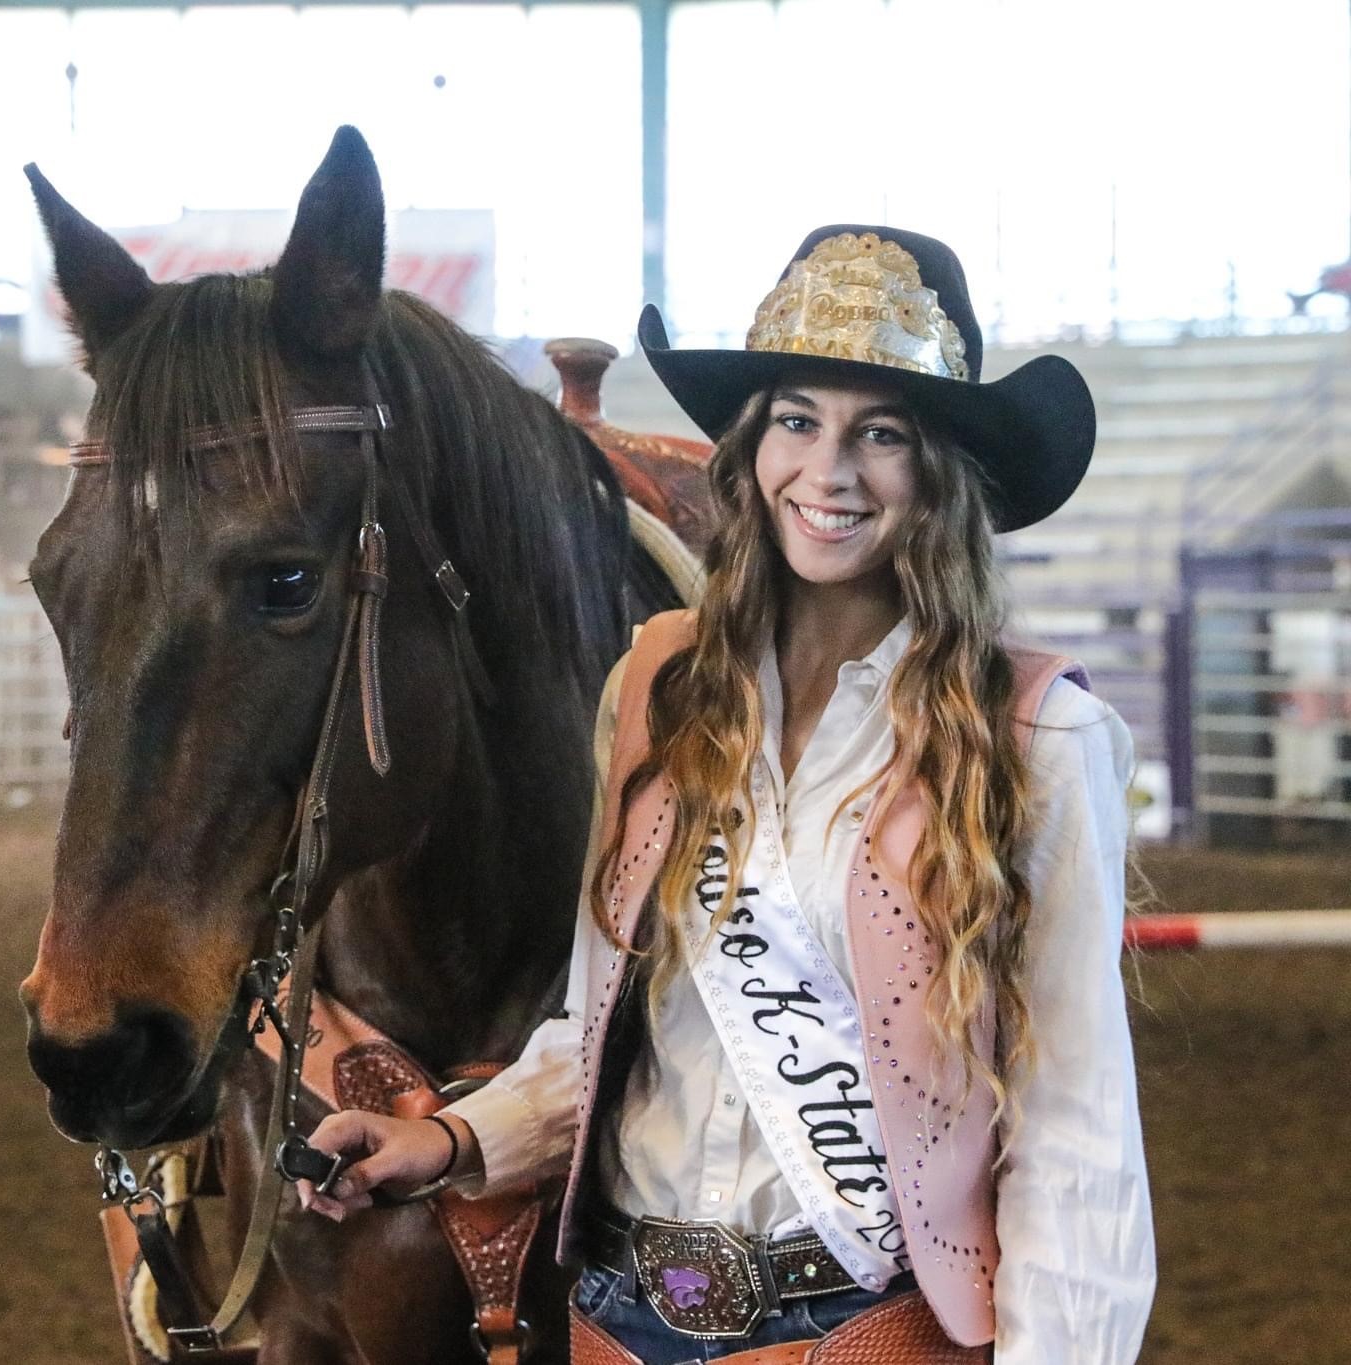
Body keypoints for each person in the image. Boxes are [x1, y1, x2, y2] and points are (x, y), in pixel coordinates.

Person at [301, 228, 1155, 1363]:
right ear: (752, 449)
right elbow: (614, 1032)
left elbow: (1074, 1132)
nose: (828, 470)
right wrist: (456, 1141)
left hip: (862, 1327)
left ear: (938, 472)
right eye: (797, 420)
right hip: (620, 1319)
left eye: (881, 433)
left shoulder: (1035, 736)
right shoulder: (655, 688)